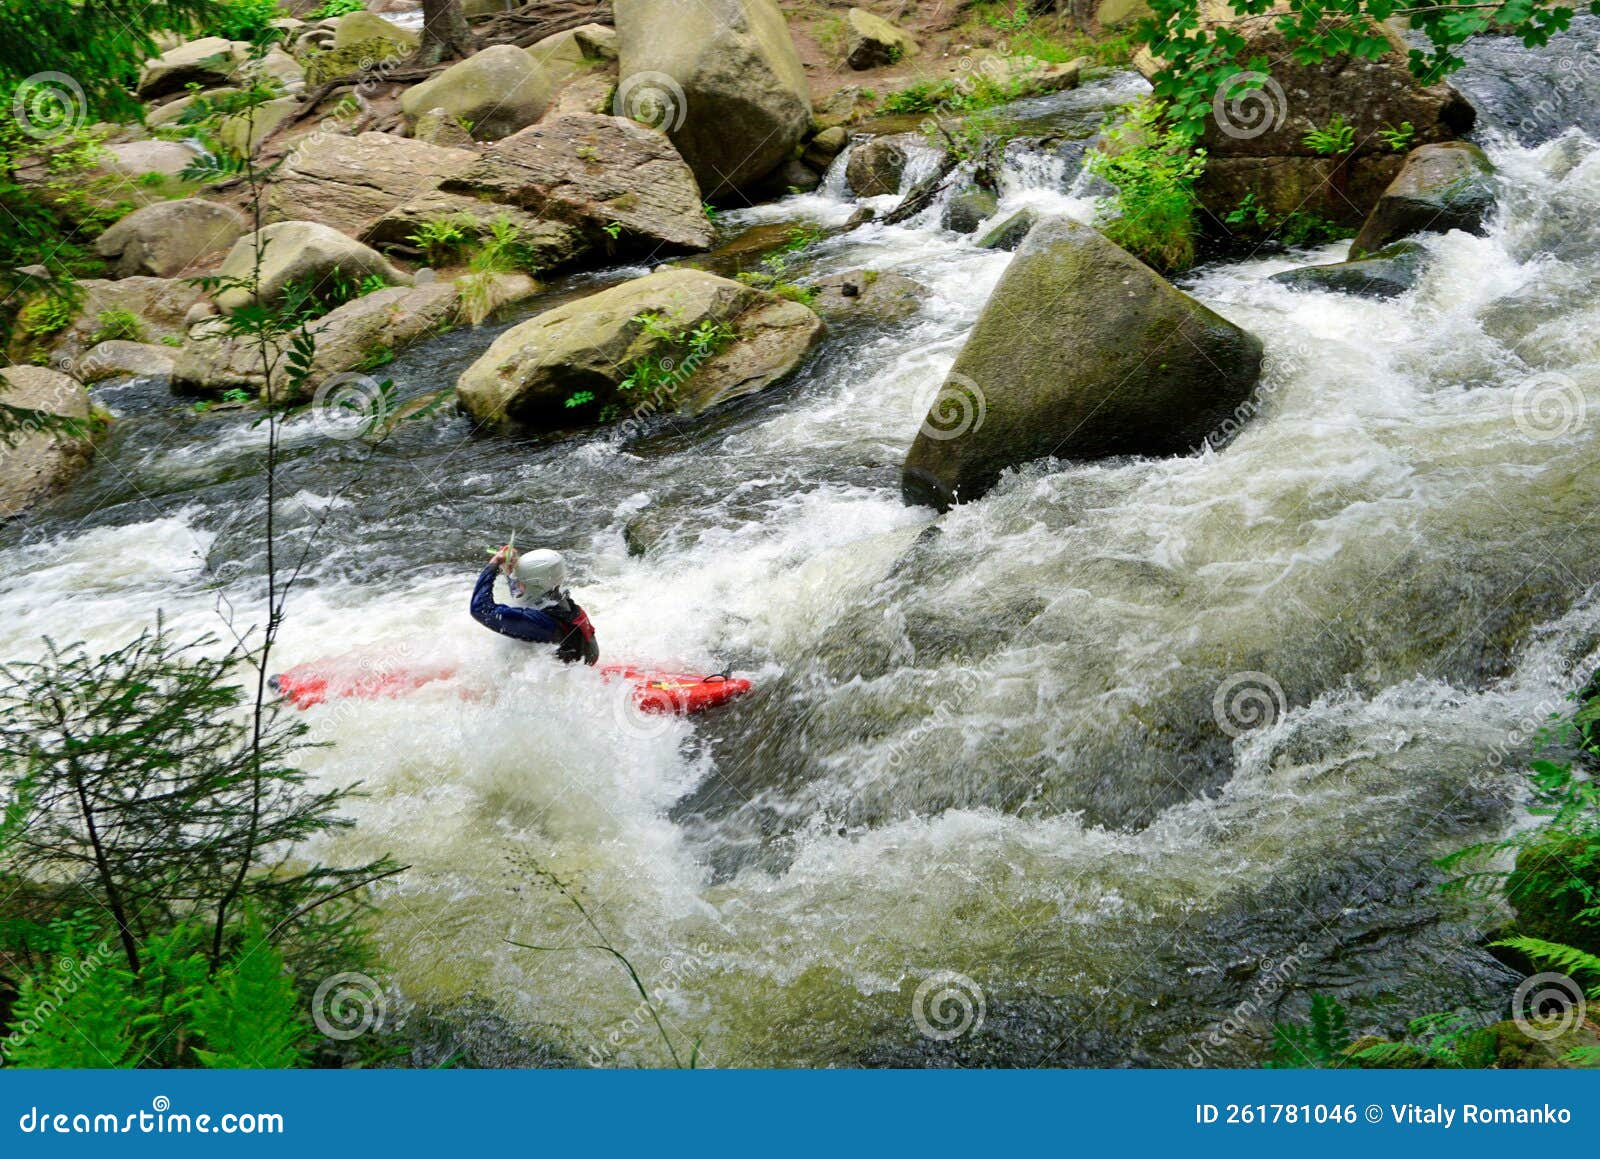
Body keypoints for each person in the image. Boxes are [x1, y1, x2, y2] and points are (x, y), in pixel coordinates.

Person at [471, 546, 599, 665]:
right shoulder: (555, 595)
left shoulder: (539, 622)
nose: (515, 584)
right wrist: (509, 570)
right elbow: (522, 594)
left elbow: (480, 609)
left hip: (563, 675)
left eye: (519, 581)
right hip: (579, 662)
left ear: (536, 585)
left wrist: (493, 564)